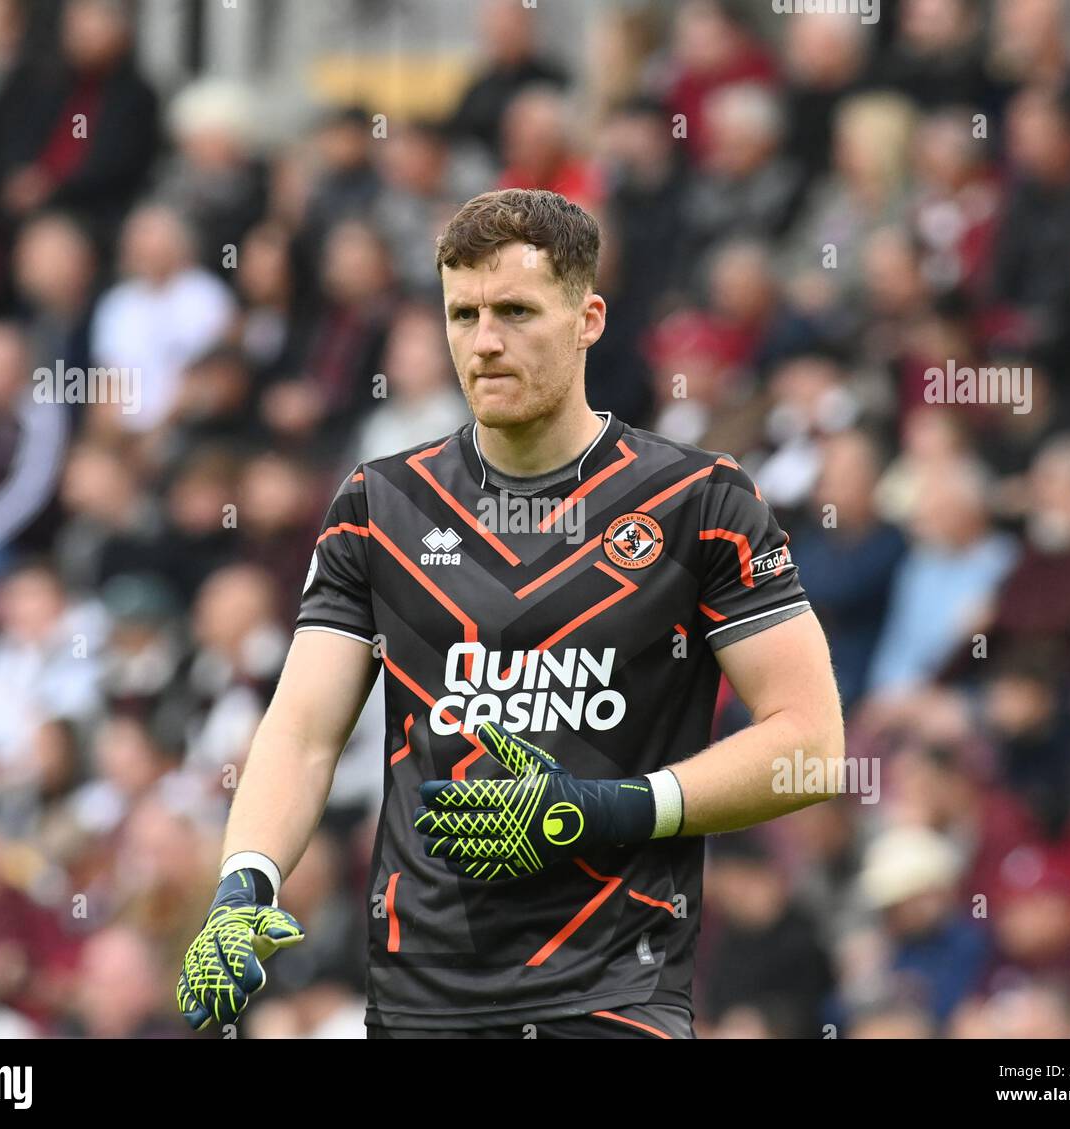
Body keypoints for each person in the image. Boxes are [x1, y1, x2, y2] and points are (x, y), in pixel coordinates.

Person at [176, 189, 845, 1039]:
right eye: (463, 314)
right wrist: (245, 883)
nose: (484, 341)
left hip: (611, 995)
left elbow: (813, 746)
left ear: (588, 318)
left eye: (517, 311)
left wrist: (609, 808)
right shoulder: (378, 504)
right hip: (418, 999)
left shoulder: (698, 500)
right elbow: (301, 733)